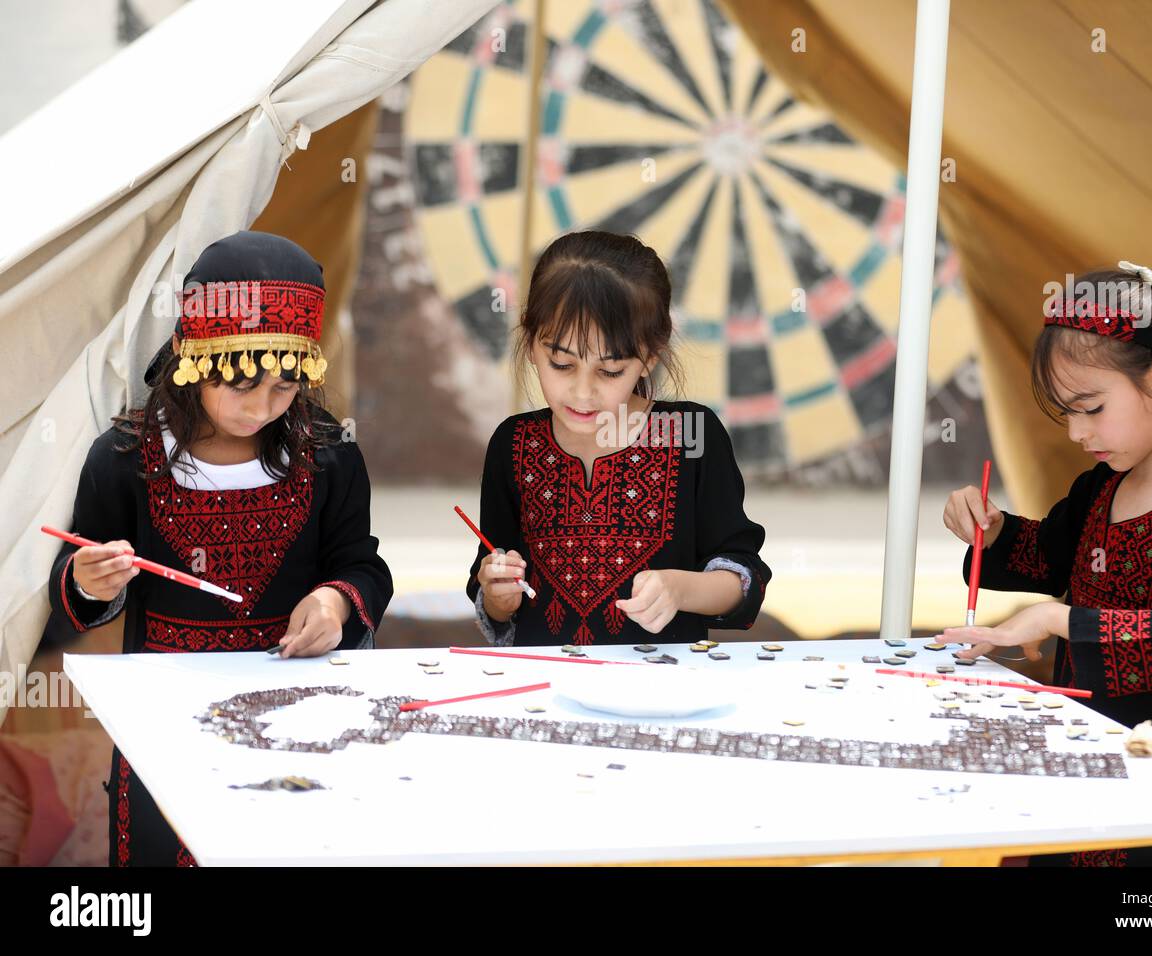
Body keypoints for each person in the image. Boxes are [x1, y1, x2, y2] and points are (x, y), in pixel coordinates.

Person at [46, 230, 393, 866]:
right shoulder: (126, 460)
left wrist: (335, 603)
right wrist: (91, 581)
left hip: (300, 715)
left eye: (286, 387)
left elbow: (362, 565)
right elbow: (72, 587)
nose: (262, 407)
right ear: (196, 362)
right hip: (165, 723)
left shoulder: (329, 457)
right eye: (242, 383)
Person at [940, 261, 1152, 866]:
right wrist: (993, 528)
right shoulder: (1102, 485)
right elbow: (1045, 559)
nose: (1075, 431)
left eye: (1090, 407)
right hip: (1083, 756)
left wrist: (1057, 620)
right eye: (1066, 411)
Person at [466, 230, 770, 647]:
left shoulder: (689, 435)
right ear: (531, 341)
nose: (583, 392)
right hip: (544, 688)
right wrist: (499, 593)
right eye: (561, 363)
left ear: (649, 356)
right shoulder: (513, 443)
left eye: (610, 371)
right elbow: (496, 598)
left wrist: (679, 589)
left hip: (663, 692)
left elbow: (743, 579)